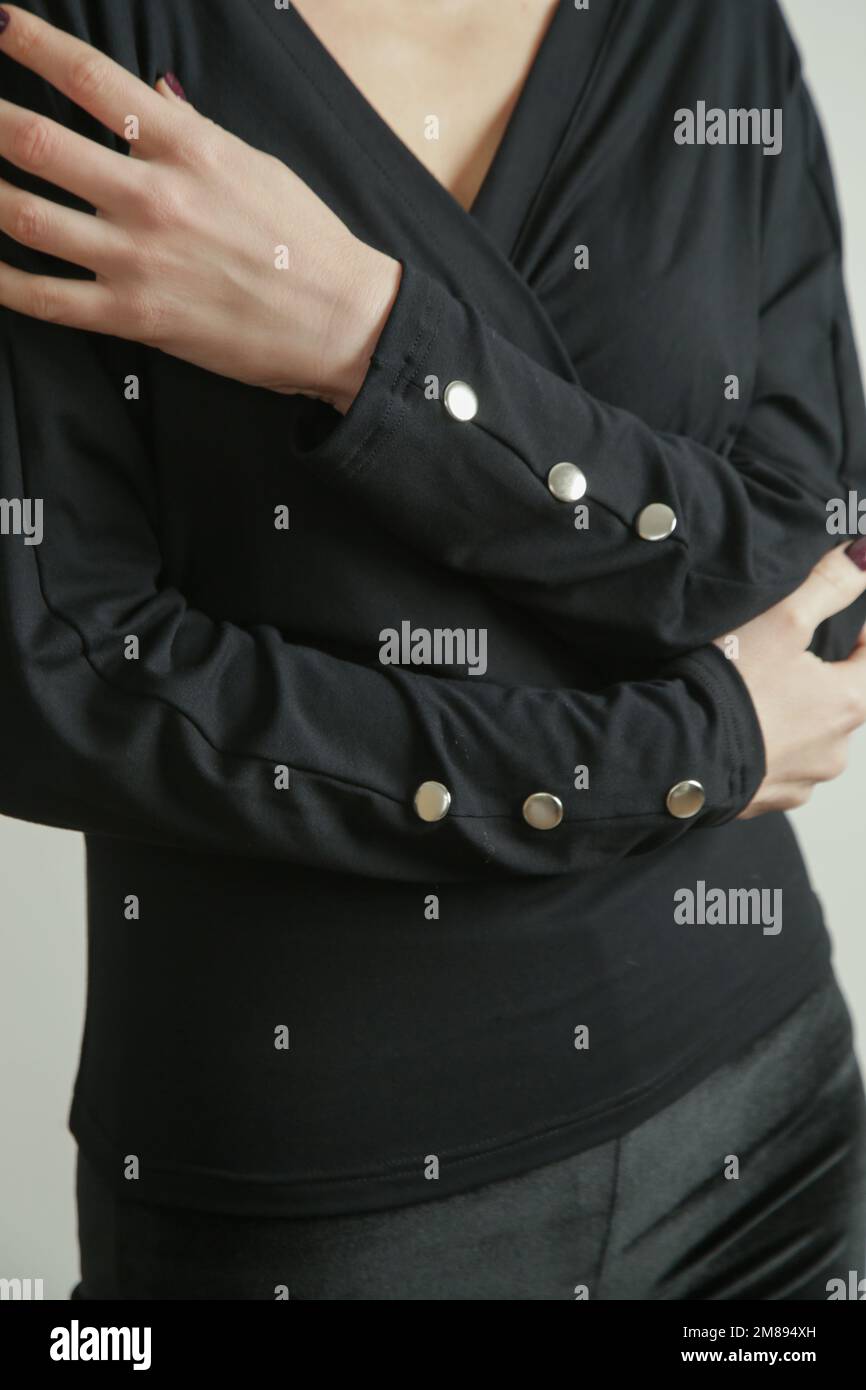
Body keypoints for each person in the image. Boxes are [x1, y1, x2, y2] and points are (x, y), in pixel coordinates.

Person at [1, 0, 865, 1300]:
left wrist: (366, 343)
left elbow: (803, 552)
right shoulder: (77, 38)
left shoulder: (705, 25)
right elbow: (56, 685)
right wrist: (679, 752)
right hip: (325, 1206)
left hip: (773, 1127)